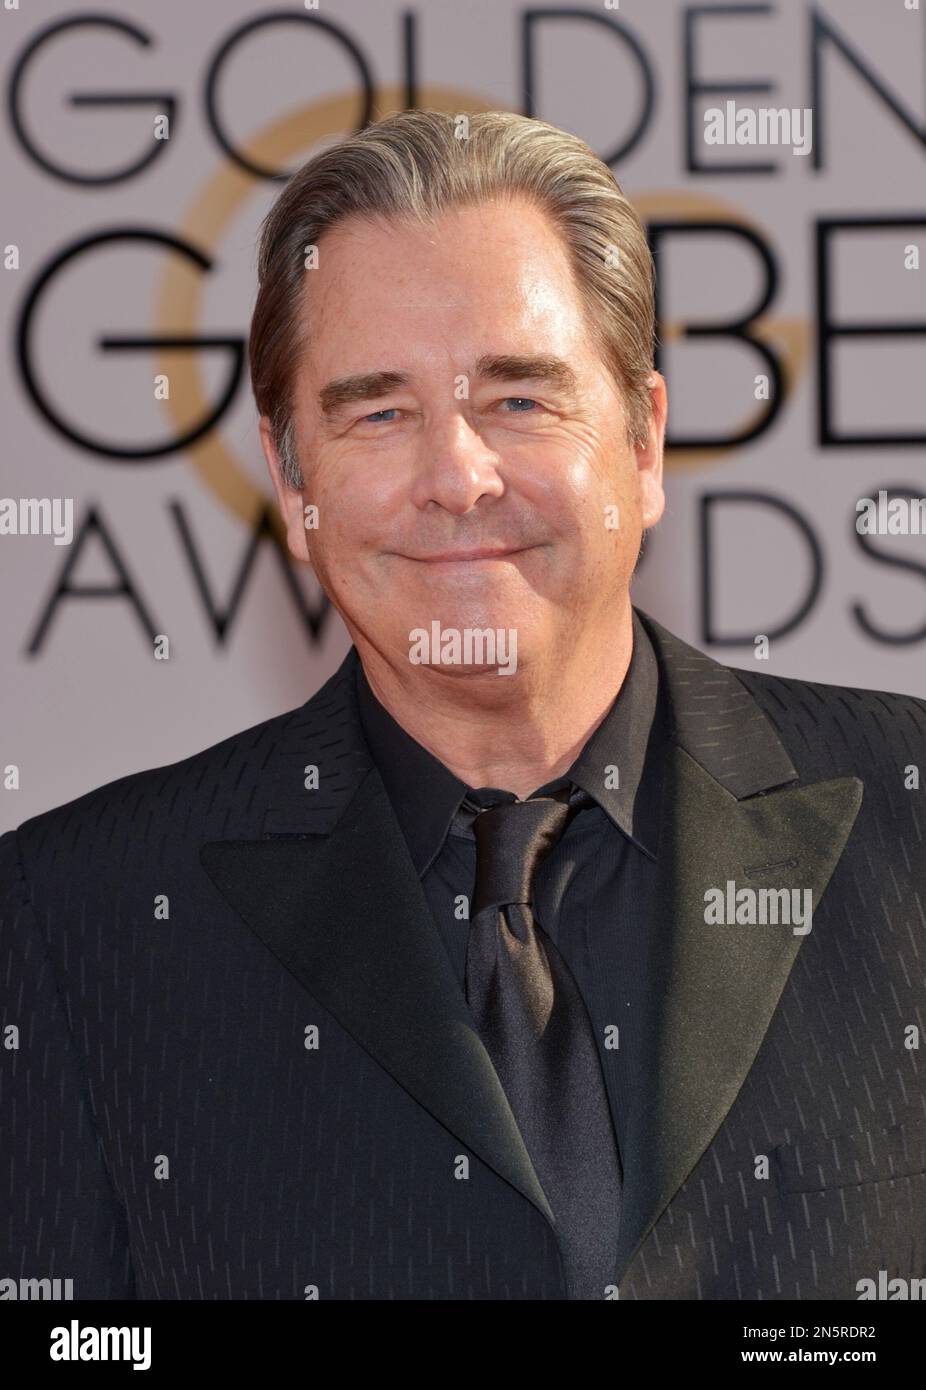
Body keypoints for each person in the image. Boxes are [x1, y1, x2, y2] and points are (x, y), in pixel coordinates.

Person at [2, 110, 924, 1301]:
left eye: (519, 399)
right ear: (293, 482)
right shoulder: (73, 922)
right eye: (377, 411)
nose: (456, 477)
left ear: (642, 442)